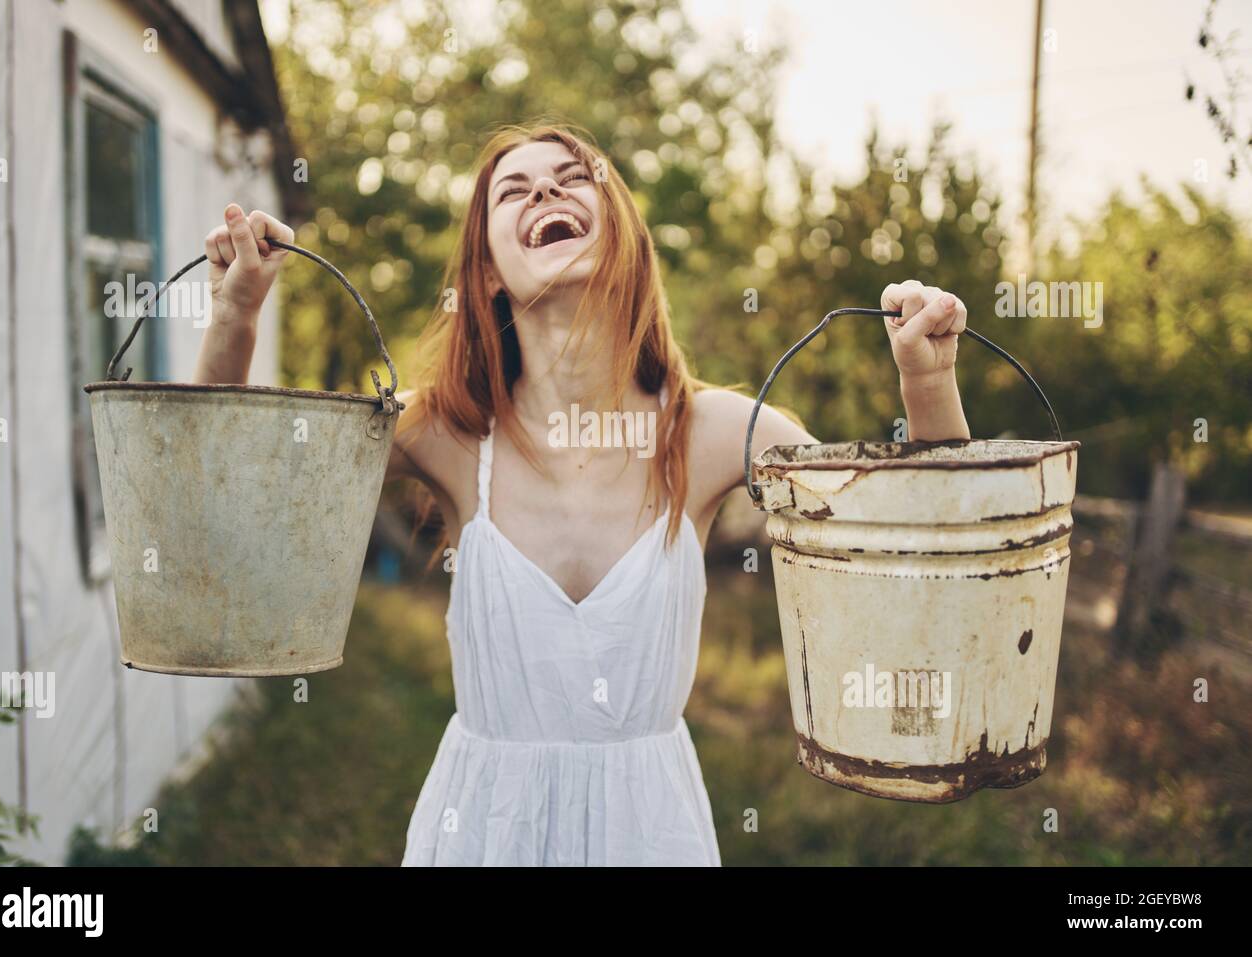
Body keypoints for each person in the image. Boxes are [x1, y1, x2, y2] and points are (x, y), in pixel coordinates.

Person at [194, 123, 970, 866]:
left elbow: (924, 554)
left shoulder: (717, 429)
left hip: (650, 831)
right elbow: (230, 495)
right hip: (484, 830)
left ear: (623, 237)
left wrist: (928, 383)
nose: (545, 195)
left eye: (572, 181)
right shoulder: (448, 430)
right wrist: (234, 314)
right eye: (515, 191)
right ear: (489, 272)